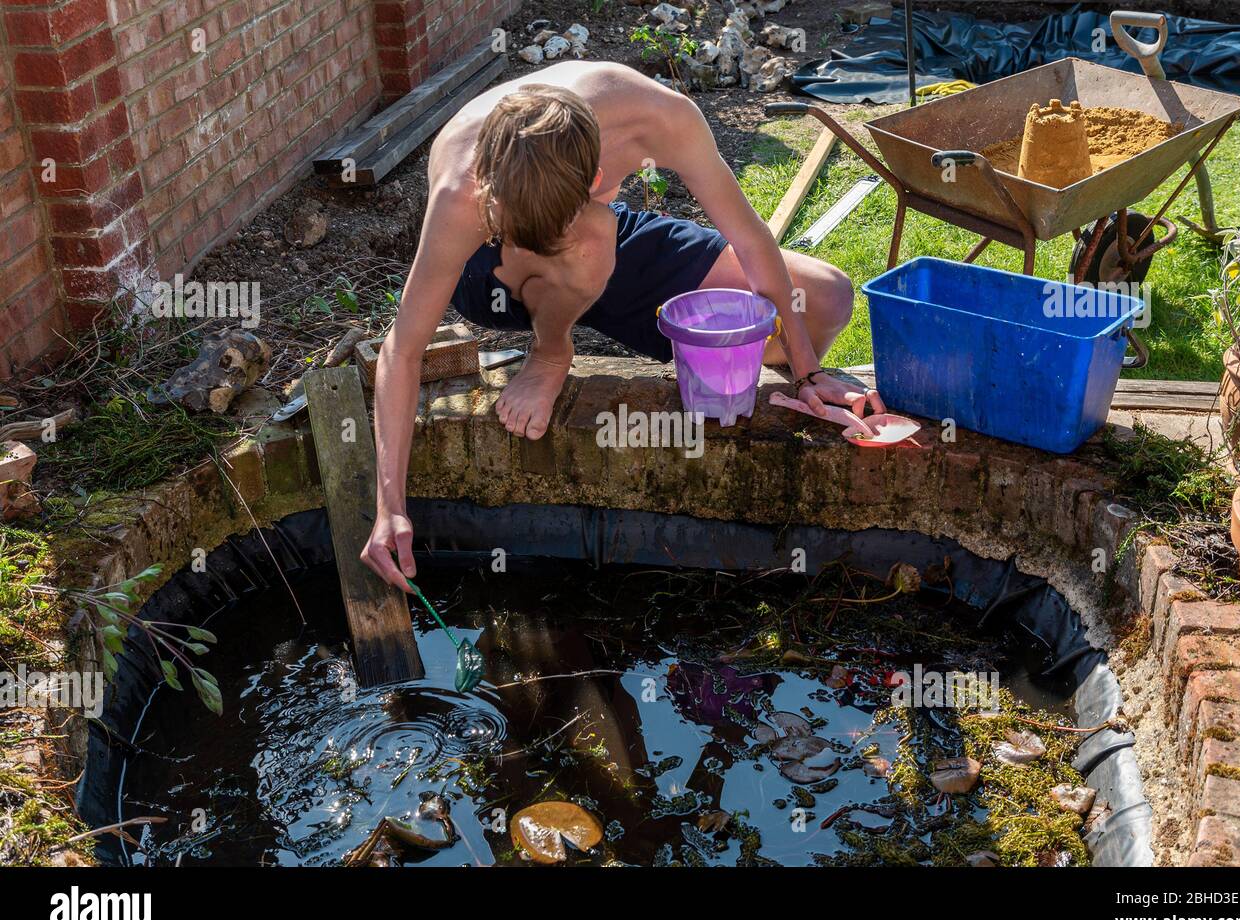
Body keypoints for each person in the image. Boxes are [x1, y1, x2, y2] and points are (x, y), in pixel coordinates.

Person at [362, 61, 881, 590]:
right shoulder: (465, 192)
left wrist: (808, 372)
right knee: (588, 237)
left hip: (592, 237)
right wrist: (389, 508)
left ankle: (594, 283)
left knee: (826, 298)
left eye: (555, 231)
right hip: (490, 274)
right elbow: (401, 351)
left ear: (596, 180)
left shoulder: (661, 118)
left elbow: (751, 243)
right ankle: (550, 351)